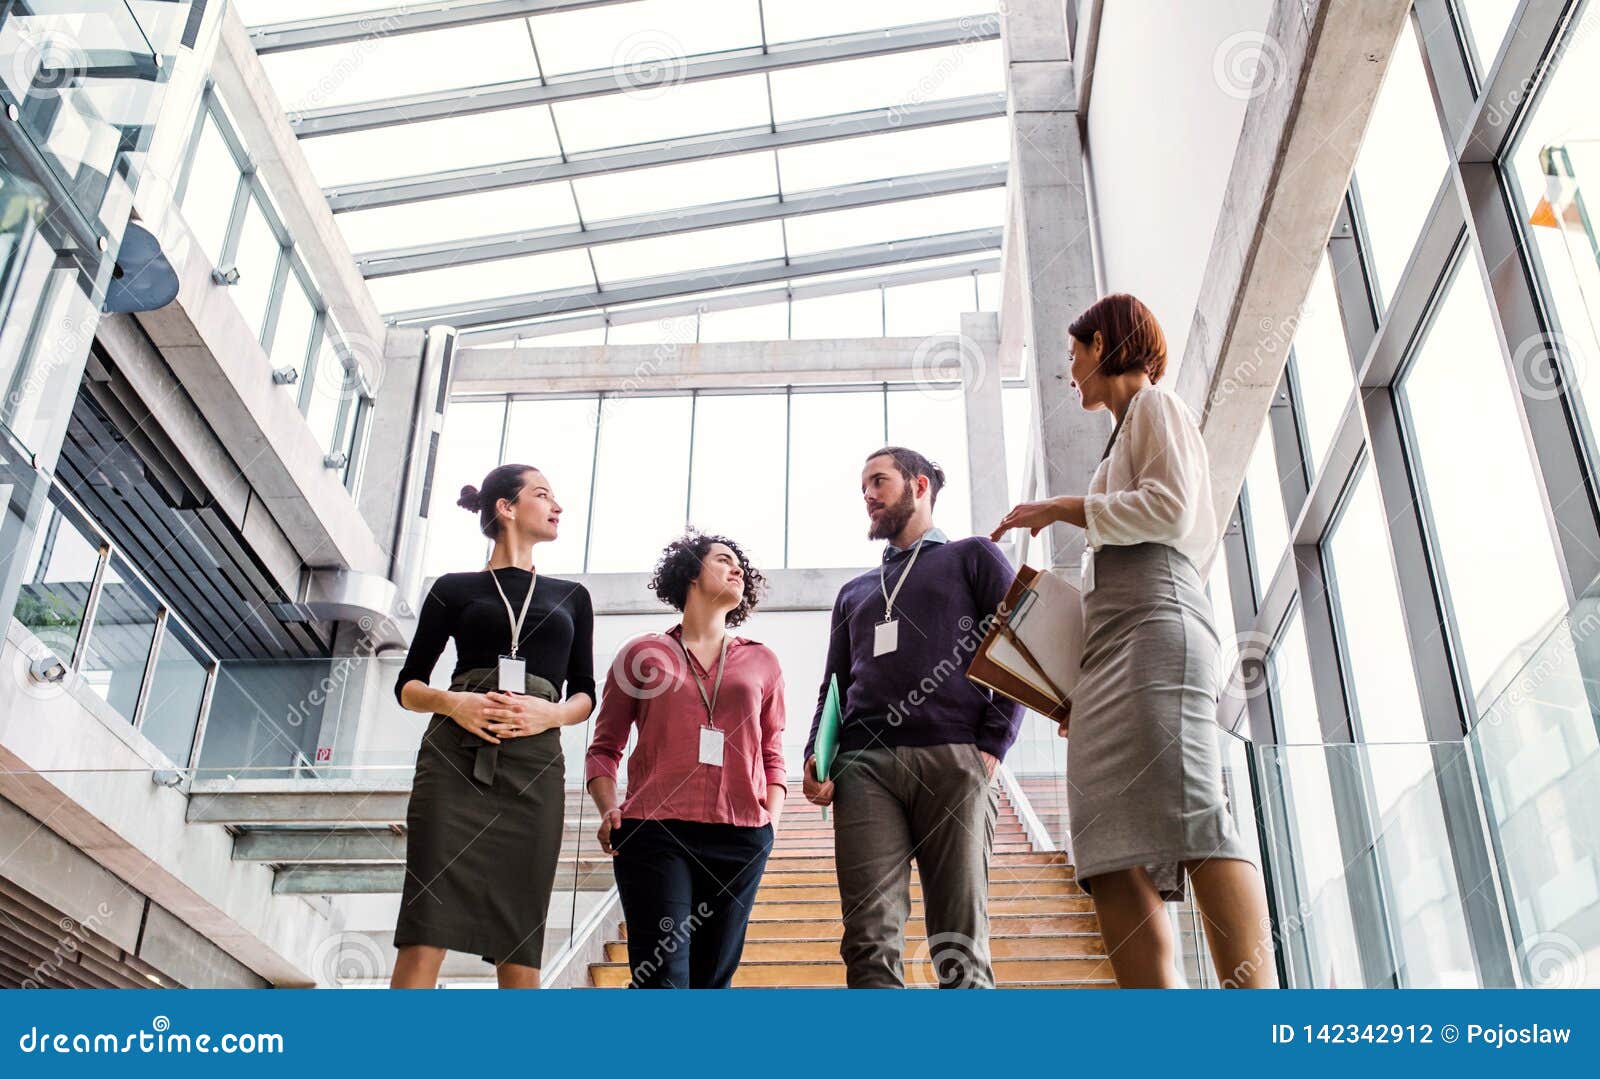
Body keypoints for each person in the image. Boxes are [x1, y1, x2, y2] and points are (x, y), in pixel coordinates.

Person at [991, 292, 1275, 989]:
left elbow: (1172, 508)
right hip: (1111, 644)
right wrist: (1073, 689)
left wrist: (1062, 507)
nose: (1069, 370)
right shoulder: (1118, 439)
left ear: (1107, 343)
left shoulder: (1156, 405)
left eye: (1074, 352)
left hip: (1157, 619)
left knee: (1193, 807)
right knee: (1101, 840)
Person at [801, 447, 1021, 988]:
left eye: (879, 481)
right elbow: (834, 683)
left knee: (959, 942)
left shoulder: (974, 556)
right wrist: (815, 753)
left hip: (954, 757)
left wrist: (995, 742)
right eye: (863, 489)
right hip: (863, 767)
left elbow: (1018, 642)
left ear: (919, 485)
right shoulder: (853, 592)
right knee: (868, 941)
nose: (869, 496)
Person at [390, 463, 595, 989]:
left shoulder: (572, 596)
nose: (558, 506)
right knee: (424, 929)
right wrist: (454, 703)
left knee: (520, 940)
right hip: (454, 757)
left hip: (534, 765)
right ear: (505, 507)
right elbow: (409, 685)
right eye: (543, 494)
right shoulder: (452, 588)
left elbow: (584, 695)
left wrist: (551, 714)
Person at [585, 531, 786, 988]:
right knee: (662, 979)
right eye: (723, 560)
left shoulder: (763, 661)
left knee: (712, 981)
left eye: (740, 565)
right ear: (691, 572)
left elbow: (772, 752)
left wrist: (768, 823)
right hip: (655, 833)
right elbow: (604, 747)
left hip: (741, 837)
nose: (737, 569)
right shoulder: (643, 653)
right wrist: (607, 807)